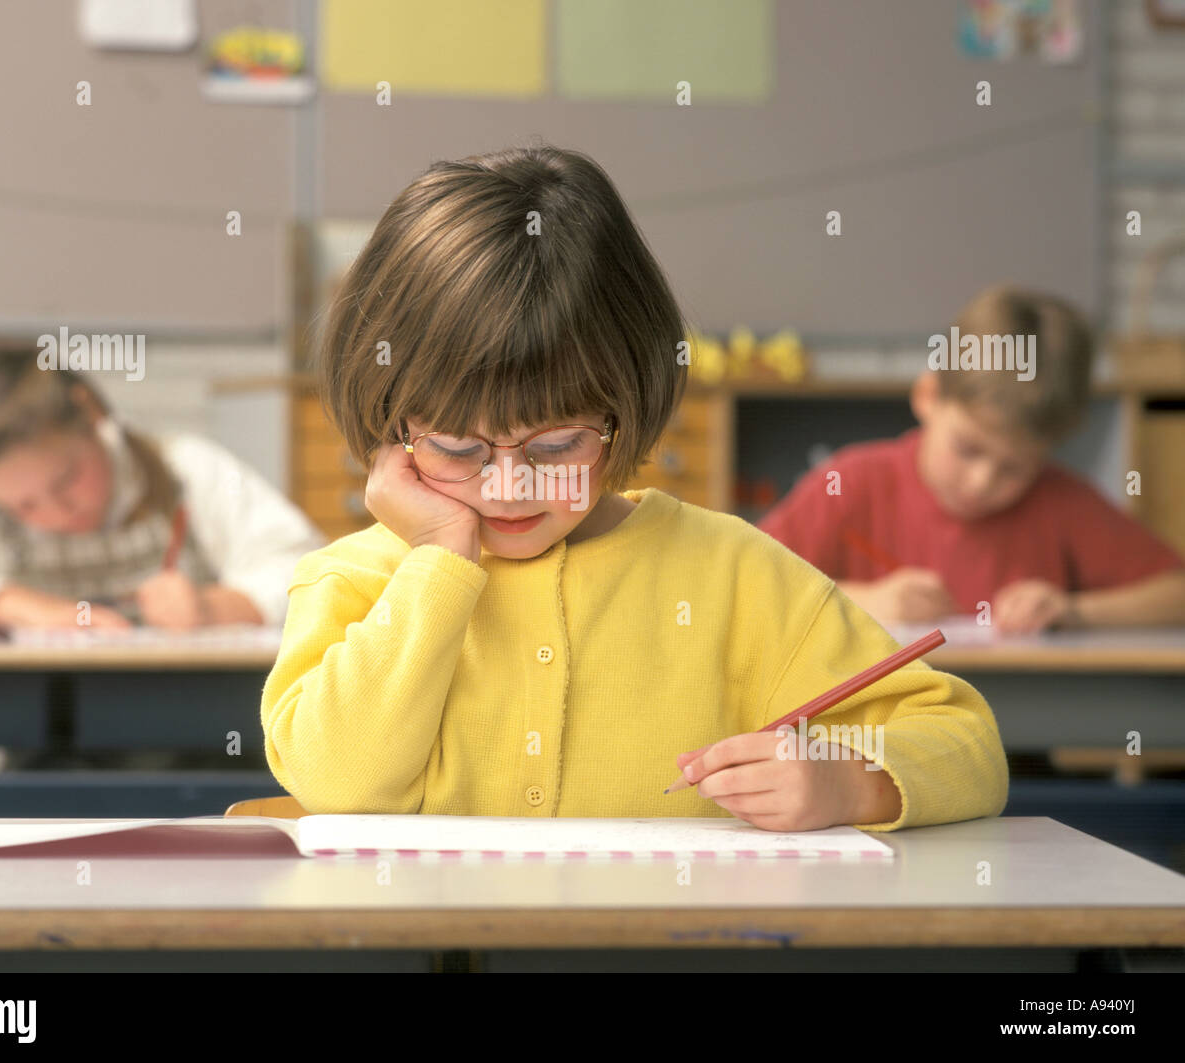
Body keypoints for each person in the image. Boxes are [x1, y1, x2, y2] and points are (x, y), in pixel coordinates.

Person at [260, 143, 1007, 831]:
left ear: (622, 413)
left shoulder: (732, 572)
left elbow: (966, 744)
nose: (511, 486)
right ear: (394, 427)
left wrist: (851, 783)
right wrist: (437, 562)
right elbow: (335, 785)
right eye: (458, 447)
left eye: (556, 443)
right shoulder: (355, 582)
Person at [759, 286, 1185, 633]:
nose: (982, 481)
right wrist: (862, 601)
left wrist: (1073, 611)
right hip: (863, 733)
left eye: (1015, 467)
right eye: (968, 449)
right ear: (928, 396)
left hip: (1010, 733)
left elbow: (1176, 593)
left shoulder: (1059, 500)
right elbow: (744, 585)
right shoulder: (849, 483)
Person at [0, 342, 324, 630]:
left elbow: (315, 574)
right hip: (55, 743)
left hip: (208, 737)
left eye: (67, 481)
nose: (56, 514)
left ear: (91, 412)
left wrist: (217, 608)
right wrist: (15, 605)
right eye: (24, 506)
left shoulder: (188, 473)